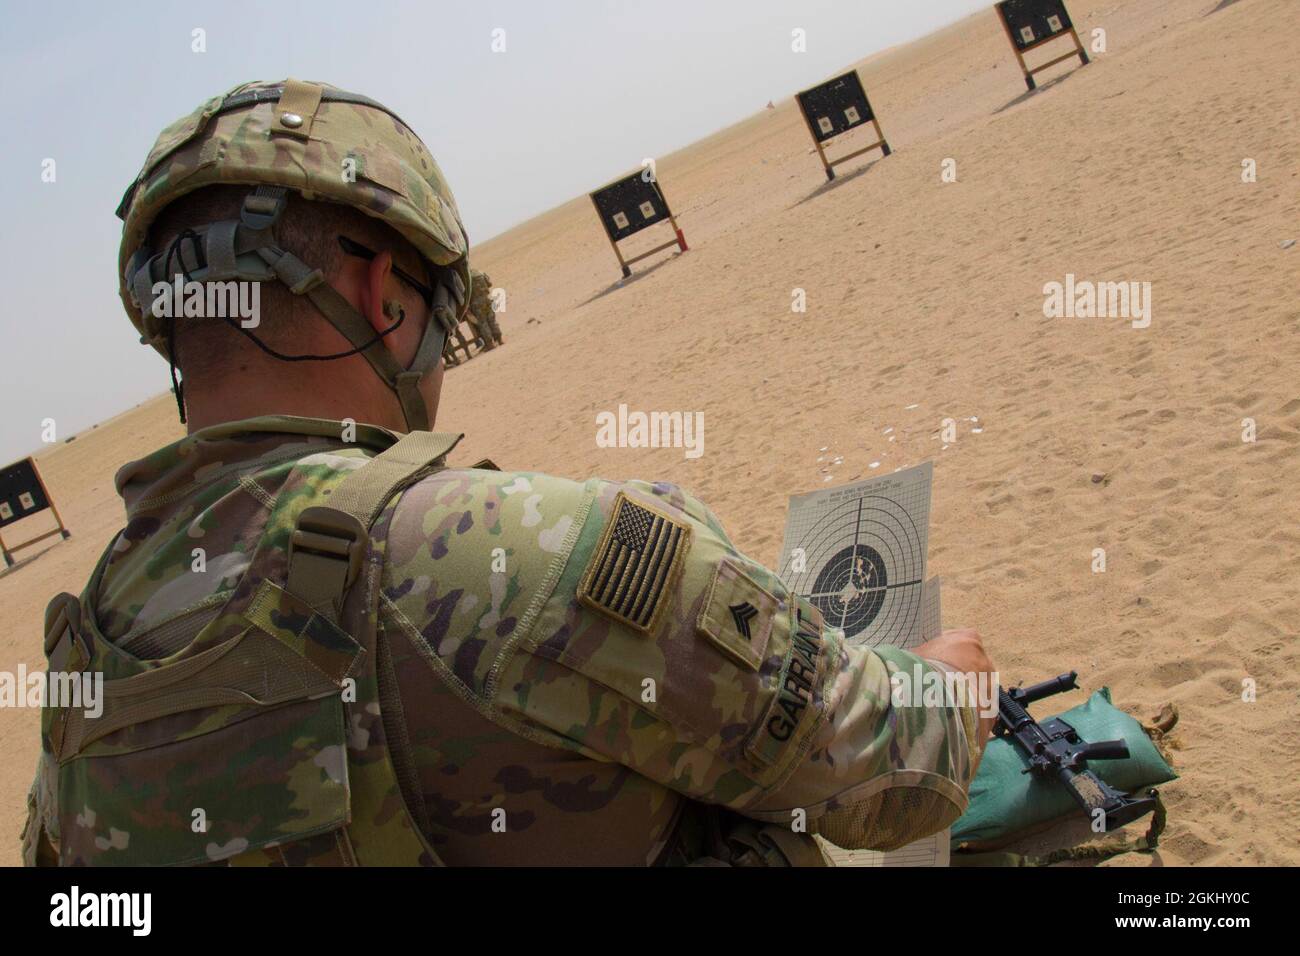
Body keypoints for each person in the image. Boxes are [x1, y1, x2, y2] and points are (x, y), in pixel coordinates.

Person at [23, 79, 995, 867]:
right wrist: (953, 678)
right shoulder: (505, 551)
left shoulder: (91, 646)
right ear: (381, 295)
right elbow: (891, 771)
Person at [467, 268, 504, 349]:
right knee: (492, 320)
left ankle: (490, 343)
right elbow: (489, 284)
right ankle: (499, 339)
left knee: (483, 323)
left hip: (476, 303)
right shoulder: (479, 272)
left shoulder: (465, 279)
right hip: (486, 300)